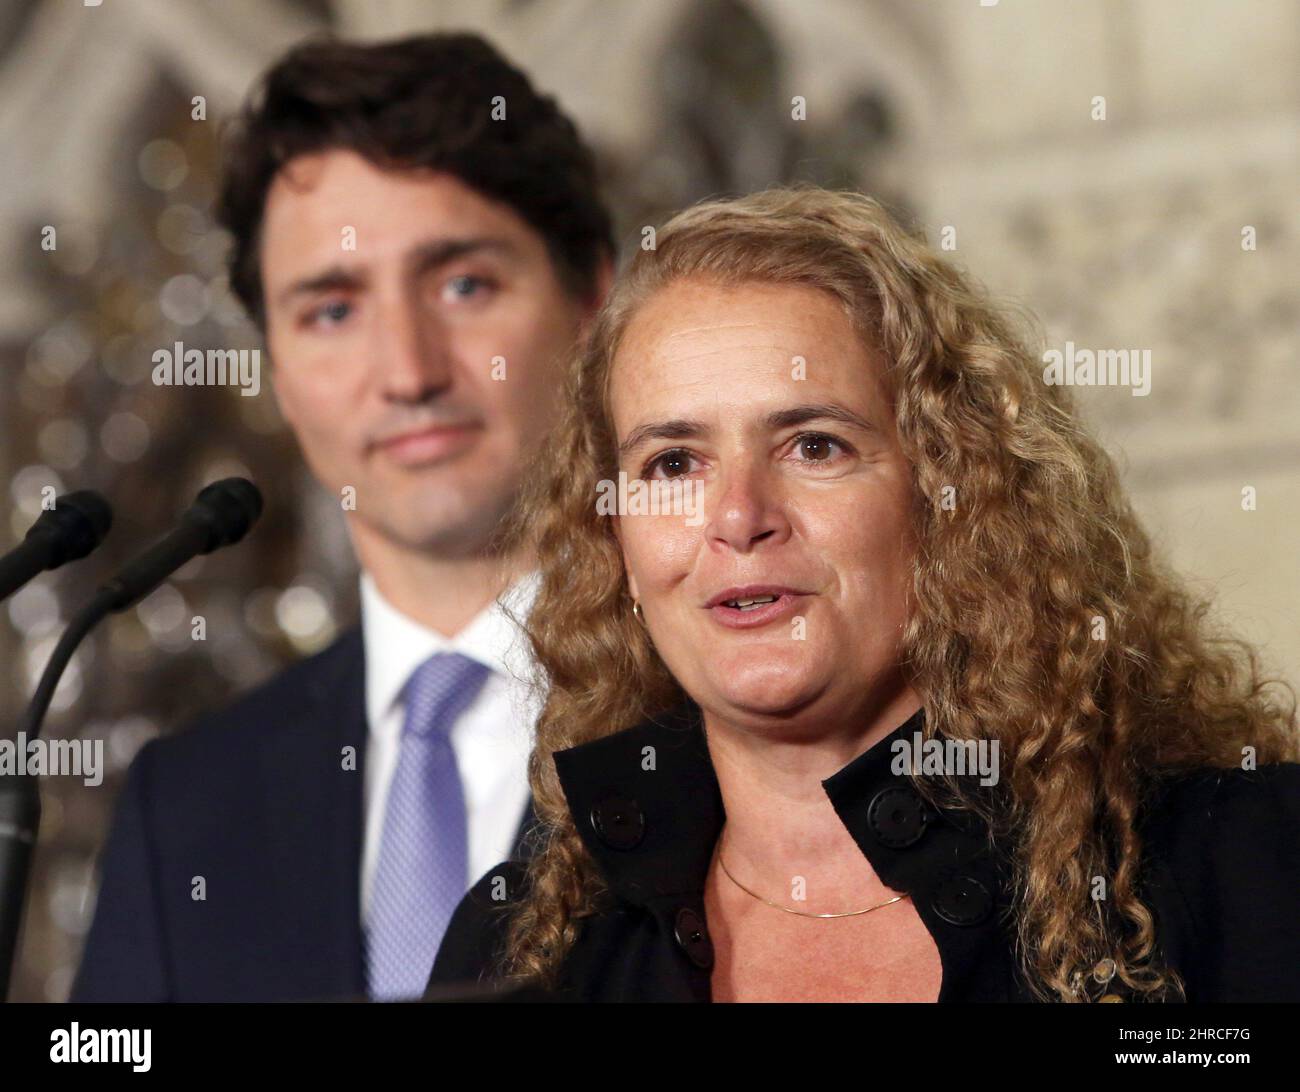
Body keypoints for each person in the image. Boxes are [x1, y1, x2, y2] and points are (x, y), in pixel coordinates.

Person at [428, 186, 1300, 1002]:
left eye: (813, 446)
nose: (738, 517)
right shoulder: (522, 945)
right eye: (674, 464)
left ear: (950, 494)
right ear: (615, 542)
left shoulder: (1249, 861)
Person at [72, 33, 613, 1002]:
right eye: (331, 309)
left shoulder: (731, 716)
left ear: (591, 304)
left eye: (464, 284)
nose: (409, 371)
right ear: (276, 367)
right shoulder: (188, 806)